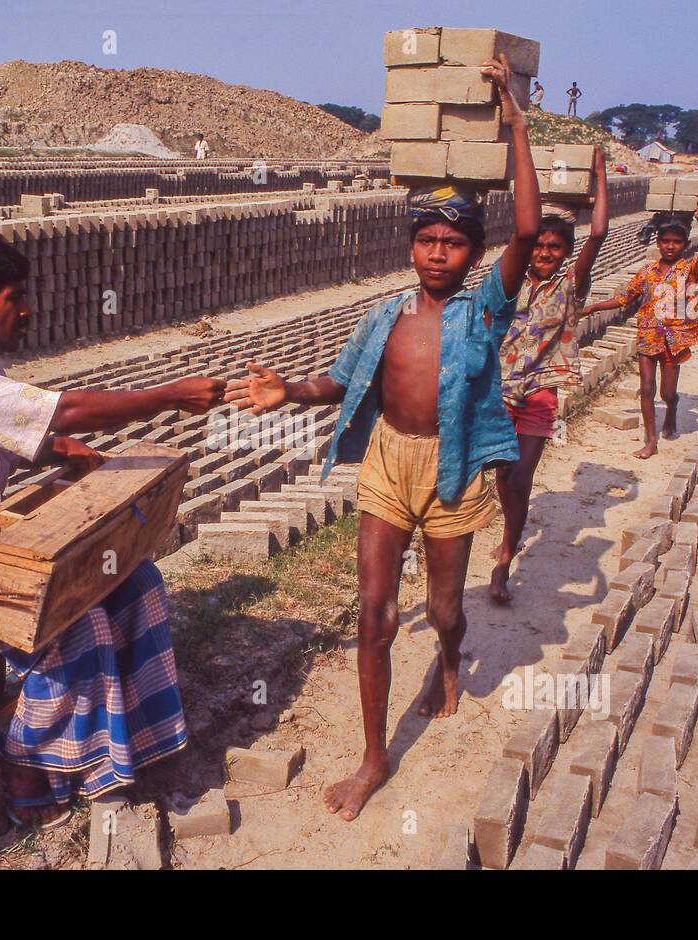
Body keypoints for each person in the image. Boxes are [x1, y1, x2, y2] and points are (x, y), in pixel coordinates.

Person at [225, 54, 541, 822]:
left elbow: (528, 228)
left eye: (455, 243)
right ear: (411, 245)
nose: (439, 252)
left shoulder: (482, 313)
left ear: (472, 254)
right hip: (388, 464)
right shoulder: (384, 316)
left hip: (453, 467)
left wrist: (515, 119)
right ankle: (373, 756)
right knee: (375, 611)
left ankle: (449, 659)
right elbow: (343, 382)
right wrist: (288, 390)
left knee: (441, 609)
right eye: (427, 239)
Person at [0, 232, 225, 829]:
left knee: (136, 583)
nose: (28, 309)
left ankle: (120, 747)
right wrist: (169, 396)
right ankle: (25, 764)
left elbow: (8, 427)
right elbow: (66, 407)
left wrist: (57, 448)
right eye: (15, 297)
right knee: (70, 615)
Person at [490, 146, 610, 602]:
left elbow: (598, 233)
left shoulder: (570, 286)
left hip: (539, 394)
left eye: (554, 247)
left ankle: (505, 559)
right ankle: (494, 539)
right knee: (501, 478)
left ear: (565, 253)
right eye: (538, 245)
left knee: (519, 481)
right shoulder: (508, 279)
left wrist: (597, 173)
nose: (544, 252)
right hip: (496, 393)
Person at [579, 199, 698, 459]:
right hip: (647, 336)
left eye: (677, 242)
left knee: (666, 392)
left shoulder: (688, 270)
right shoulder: (647, 272)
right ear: (658, 243)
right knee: (647, 388)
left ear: (685, 245)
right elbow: (624, 298)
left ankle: (672, 409)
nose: (671, 246)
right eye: (666, 241)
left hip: (674, 339)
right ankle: (651, 441)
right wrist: (593, 307)